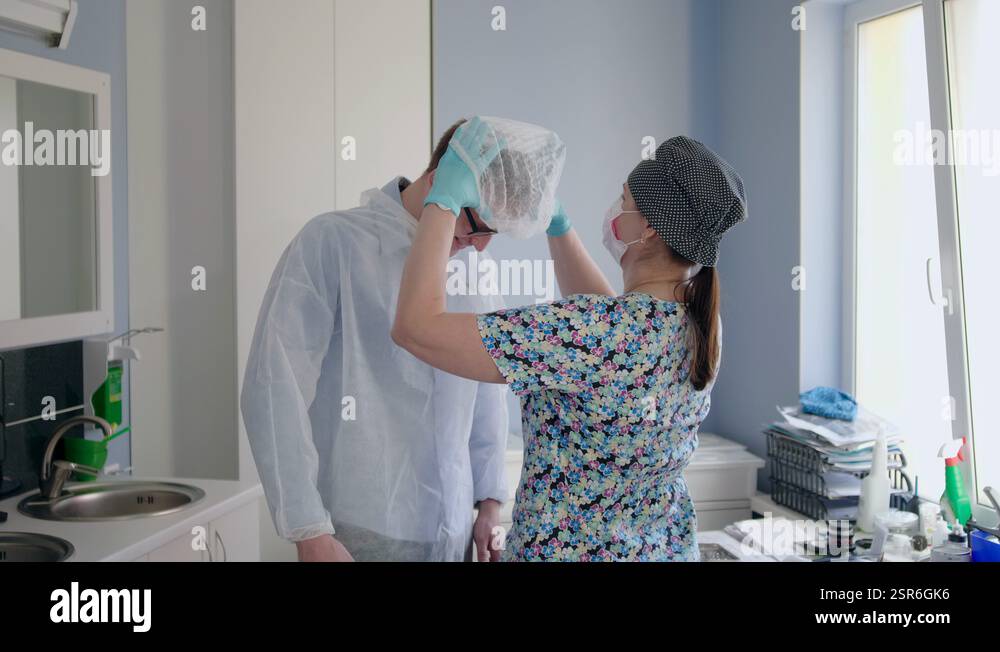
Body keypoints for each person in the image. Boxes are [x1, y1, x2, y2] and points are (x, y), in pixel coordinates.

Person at [392, 120, 747, 561]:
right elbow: (605, 335)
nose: (615, 207)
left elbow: (416, 327)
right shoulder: (693, 327)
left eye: (625, 199)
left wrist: (442, 200)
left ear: (649, 228)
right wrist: (556, 224)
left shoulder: (592, 333)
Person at [241, 120, 511, 562]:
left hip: (456, 529)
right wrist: (308, 529)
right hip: (361, 532)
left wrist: (490, 500)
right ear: (439, 179)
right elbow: (274, 384)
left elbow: (485, 395)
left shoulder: (476, 268)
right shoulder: (335, 242)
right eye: (476, 224)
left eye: (491, 234)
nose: (480, 247)